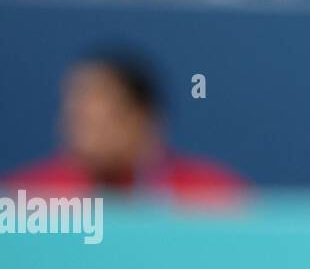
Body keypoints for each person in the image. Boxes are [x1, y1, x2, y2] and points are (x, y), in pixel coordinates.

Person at [3, 52, 247, 204]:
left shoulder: (210, 197)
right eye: (75, 116)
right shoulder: (26, 200)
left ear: (143, 120)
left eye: (96, 119)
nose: (82, 135)